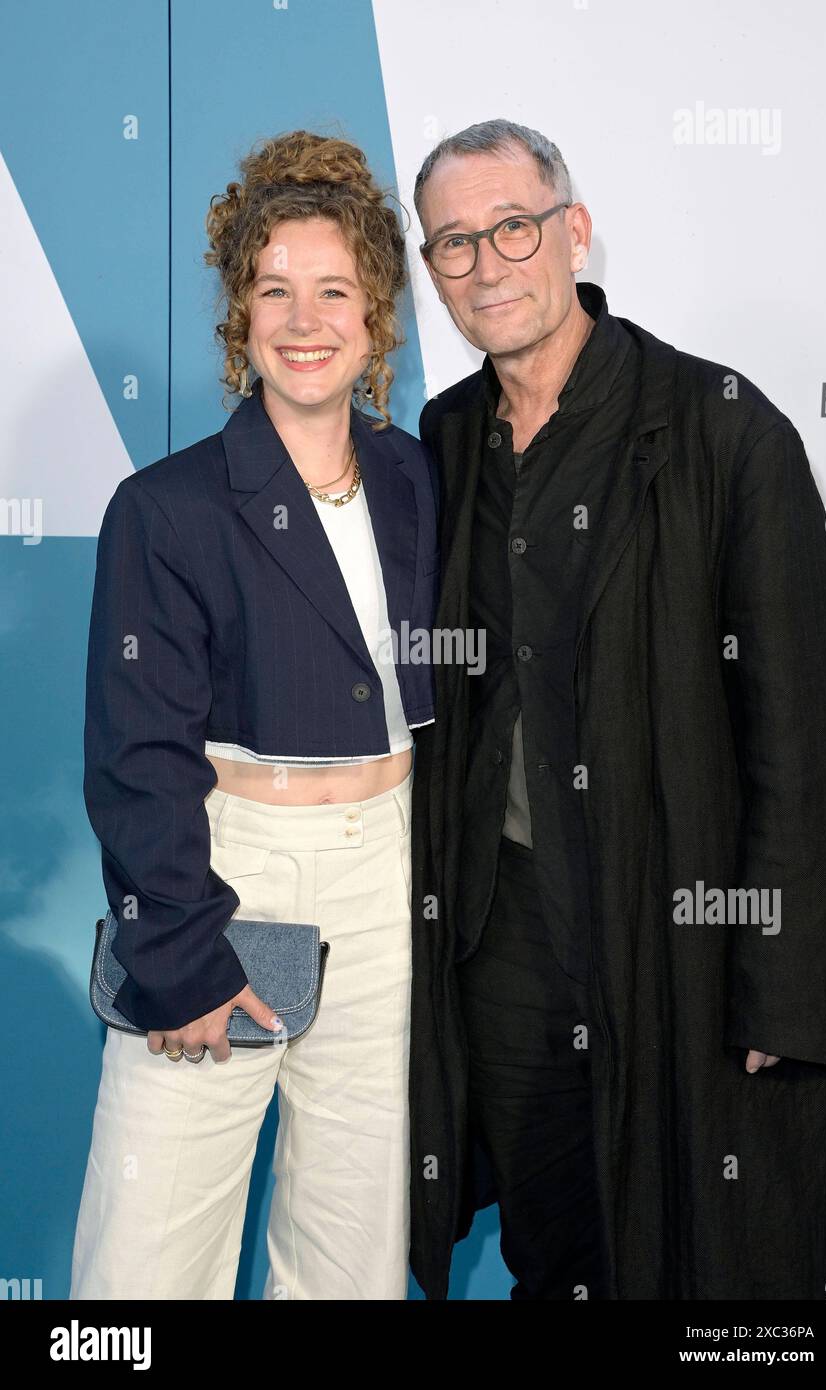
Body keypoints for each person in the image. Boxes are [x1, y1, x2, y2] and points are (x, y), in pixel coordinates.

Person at [405, 117, 826, 1300]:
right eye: (453, 244)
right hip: (505, 935)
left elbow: (802, 735)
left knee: (701, 1256)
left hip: (683, 925)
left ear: (574, 230)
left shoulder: (722, 427)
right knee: (552, 1246)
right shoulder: (447, 441)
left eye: (512, 227)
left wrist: (786, 976)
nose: (487, 264)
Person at [70, 130, 439, 1300]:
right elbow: (136, 757)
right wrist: (173, 954)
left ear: (376, 314)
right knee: (146, 1262)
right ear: (240, 315)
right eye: (273, 289)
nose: (304, 317)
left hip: (385, 882)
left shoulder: (413, 476)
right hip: (226, 878)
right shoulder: (163, 507)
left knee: (353, 1256)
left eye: (334, 289)